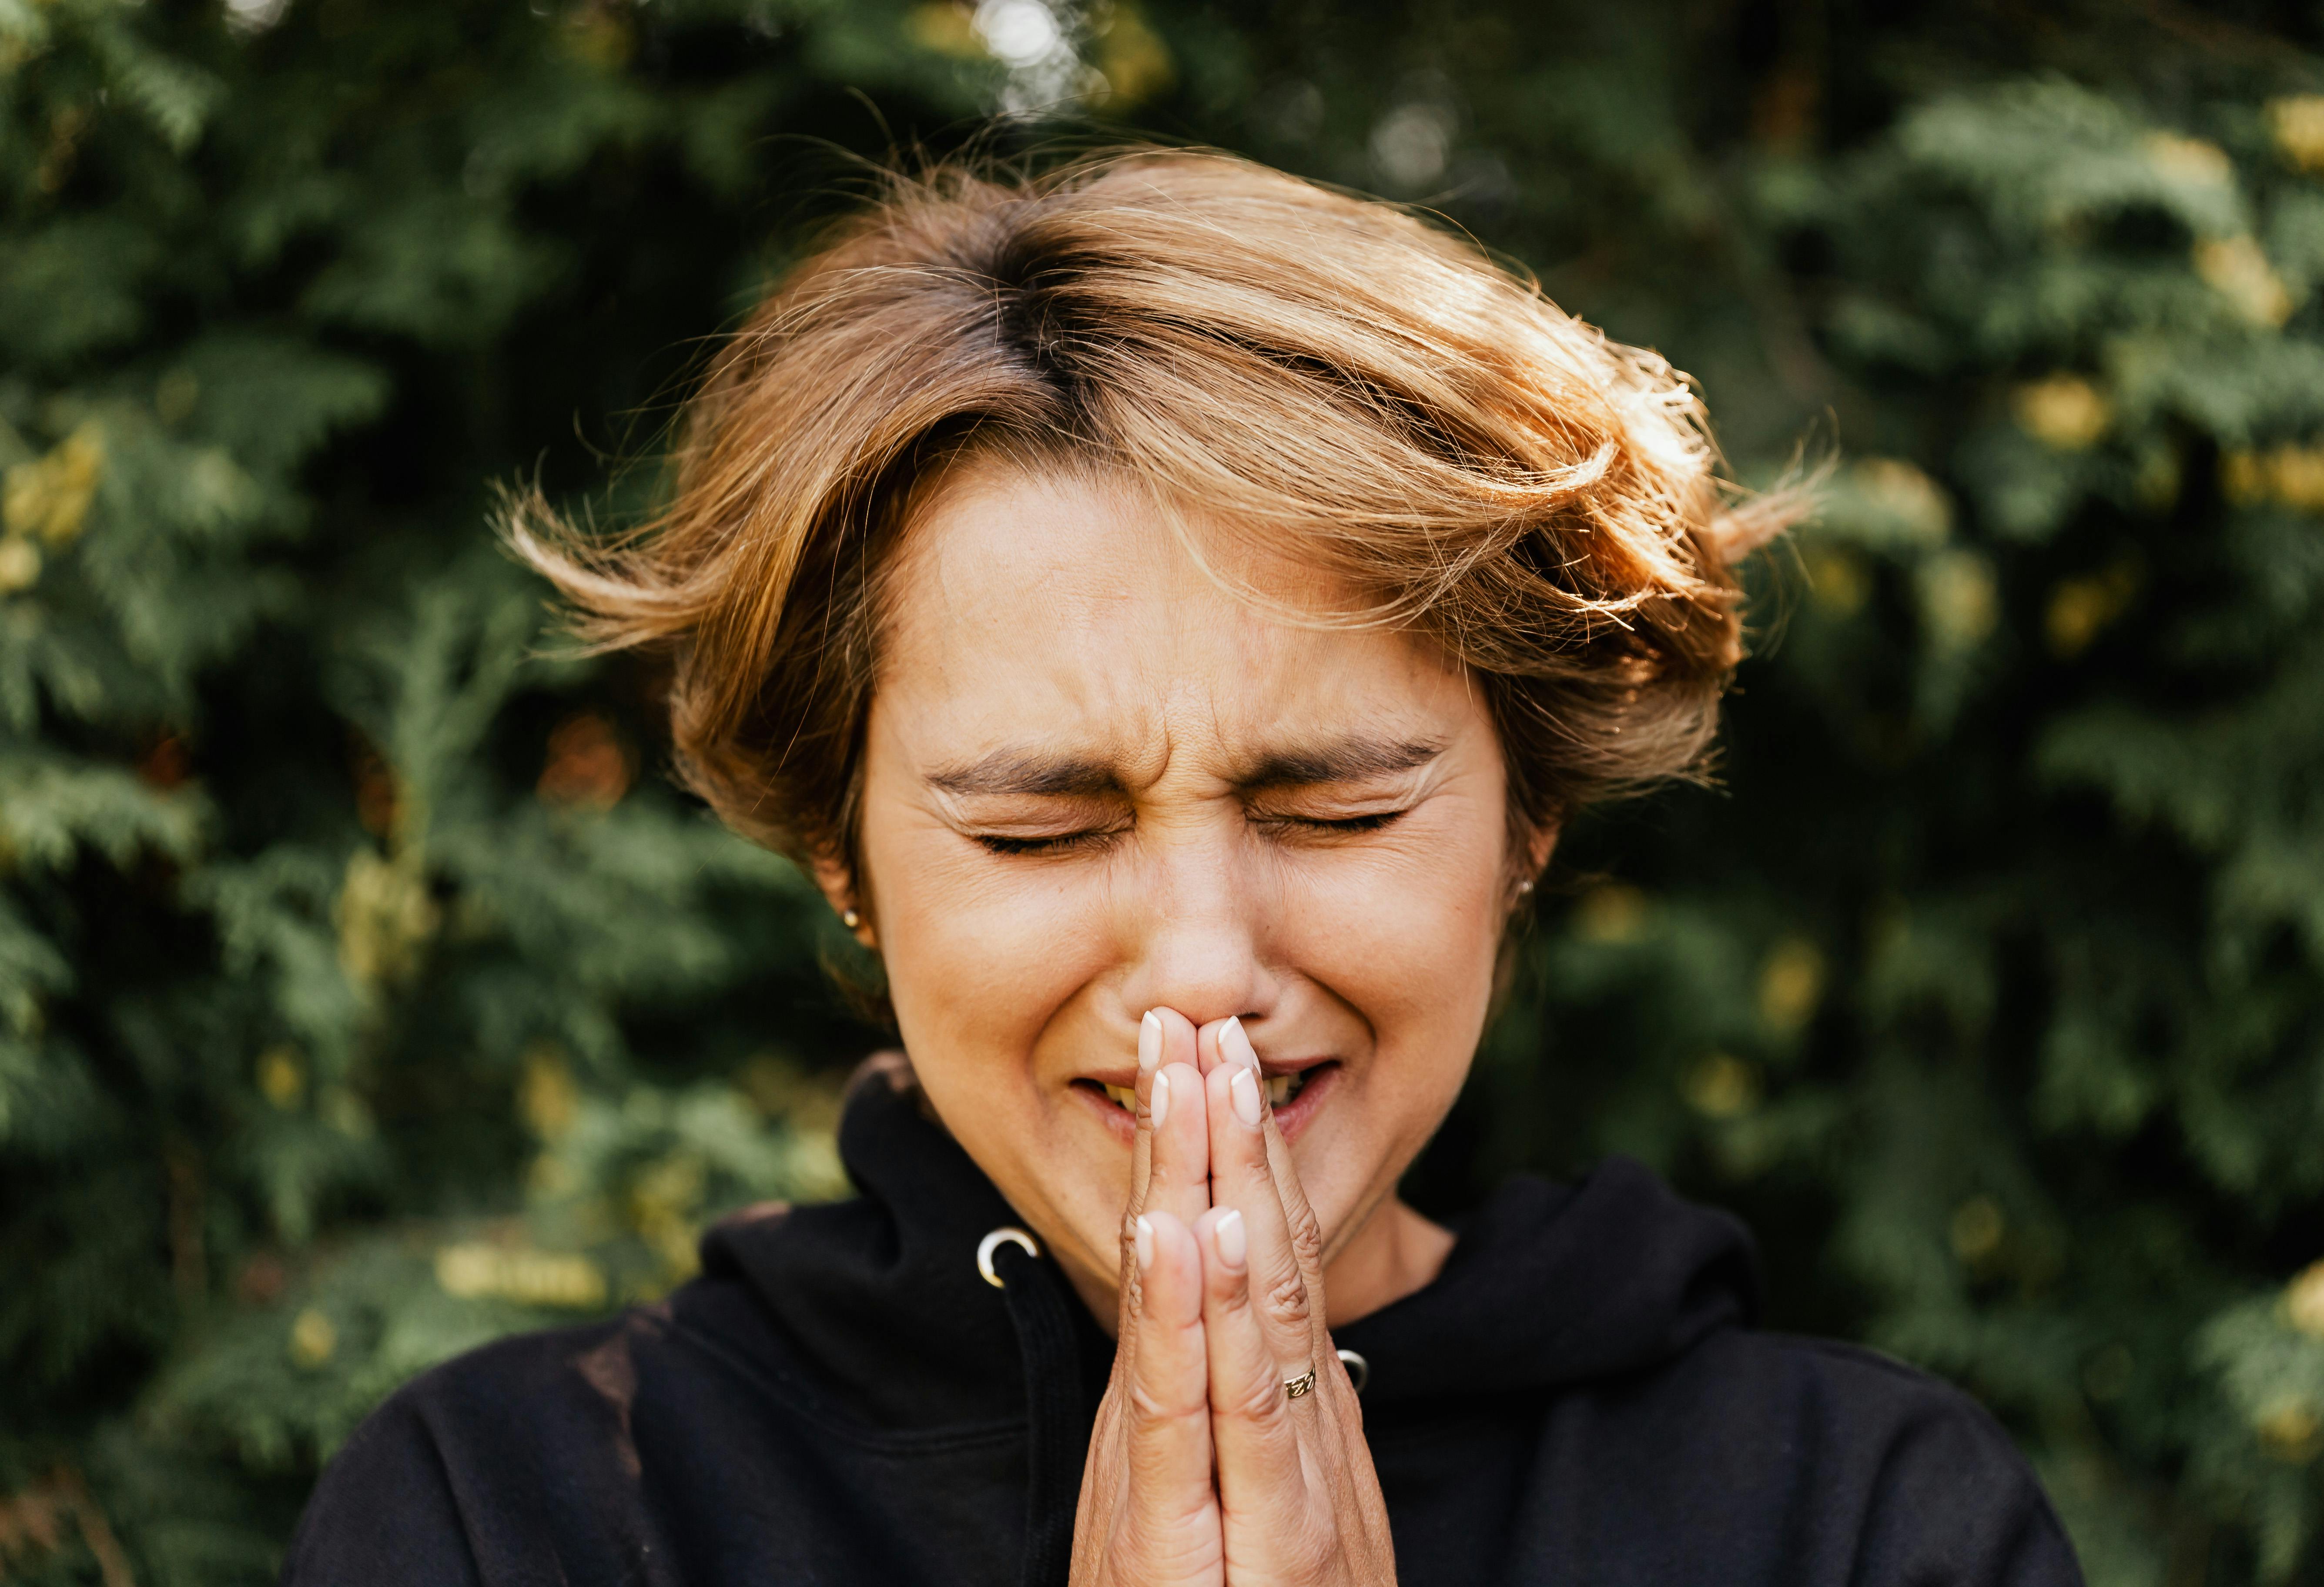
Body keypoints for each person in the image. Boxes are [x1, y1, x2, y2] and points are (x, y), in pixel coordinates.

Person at [282, 149, 2083, 1586]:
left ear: (1530, 818)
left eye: (1336, 811)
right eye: (1041, 831)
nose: (1203, 970)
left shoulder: (1856, 1525)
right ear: (844, 854)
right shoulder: (518, 1518)